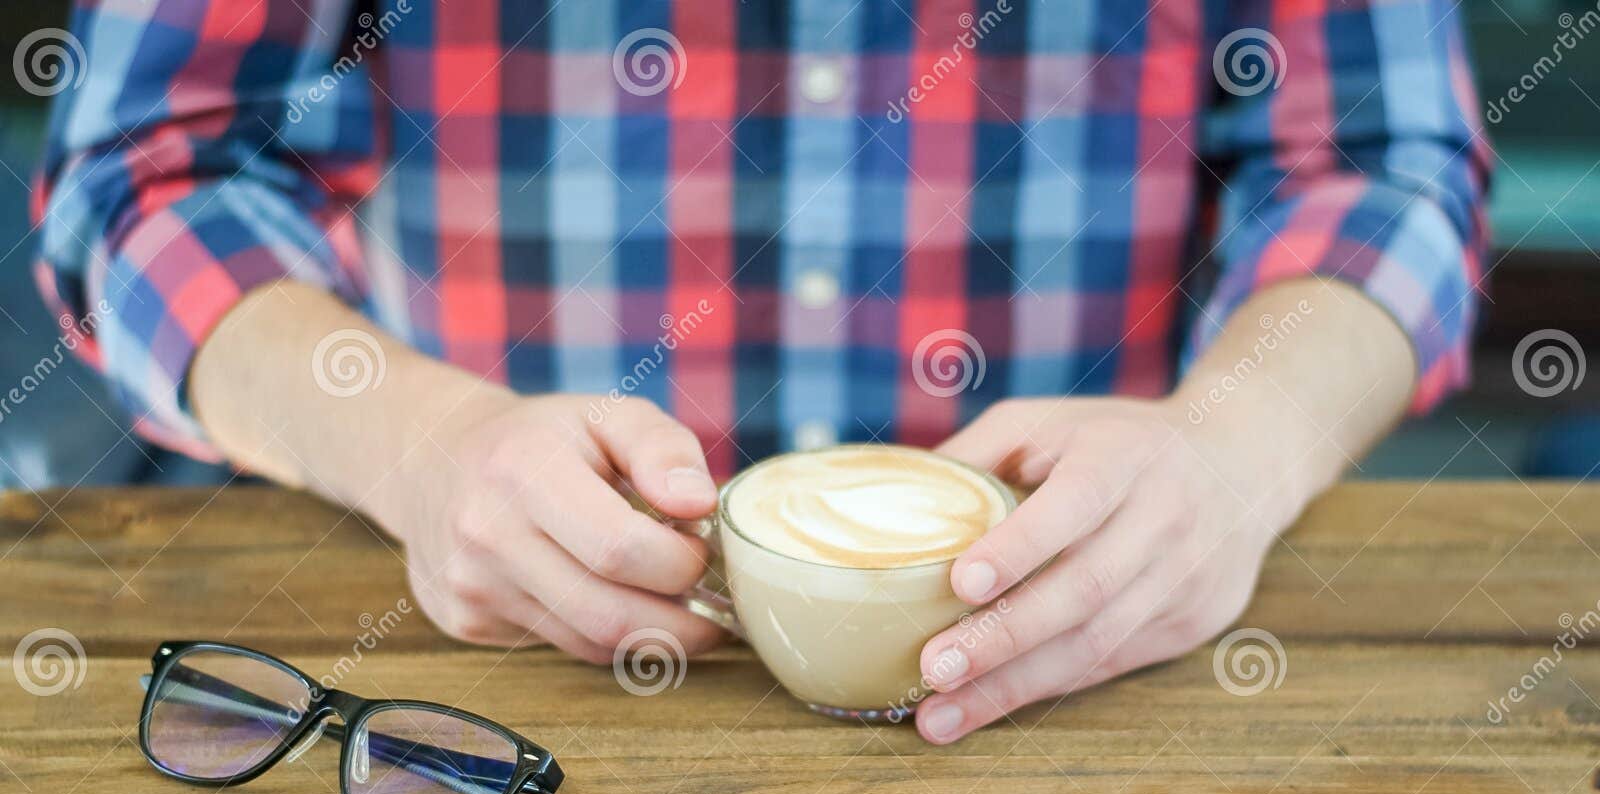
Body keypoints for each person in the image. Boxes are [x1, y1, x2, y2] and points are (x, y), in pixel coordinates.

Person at [34, 1, 1489, 745]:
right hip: (505, 691)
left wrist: (1232, 453)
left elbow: (1375, 168)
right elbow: (156, 171)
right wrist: (421, 449)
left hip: (1097, 671)